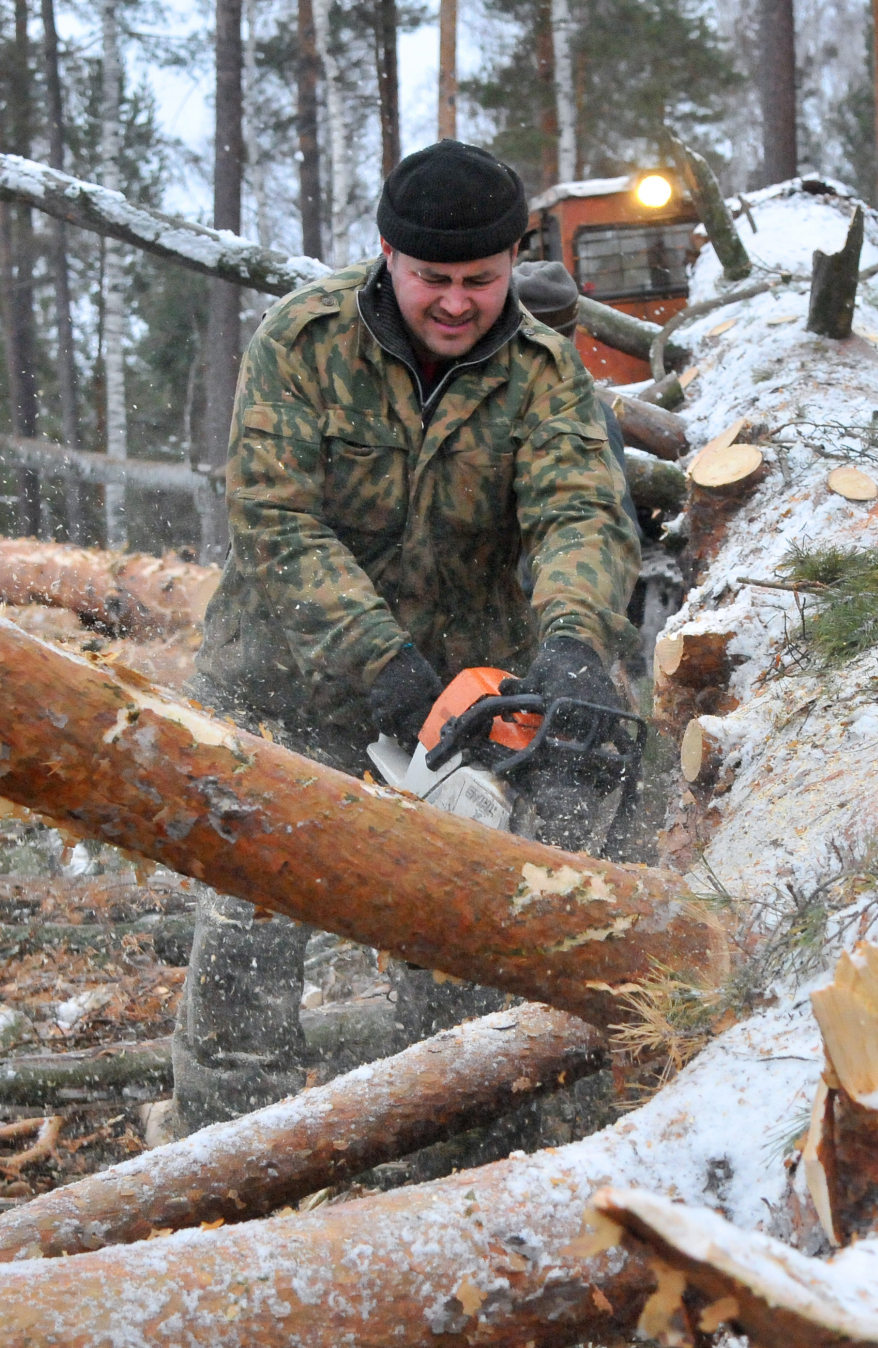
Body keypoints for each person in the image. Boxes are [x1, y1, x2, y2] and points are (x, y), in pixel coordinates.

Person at [172, 140, 641, 1132]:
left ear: (512, 262)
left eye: (480, 280)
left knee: (456, 923)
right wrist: (372, 654)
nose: (458, 304)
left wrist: (569, 639)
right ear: (387, 254)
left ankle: (448, 1144)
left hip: (453, 710)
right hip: (284, 682)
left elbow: (578, 513)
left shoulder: (544, 373)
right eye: (434, 279)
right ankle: (216, 1157)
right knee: (251, 920)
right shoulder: (302, 344)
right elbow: (273, 517)